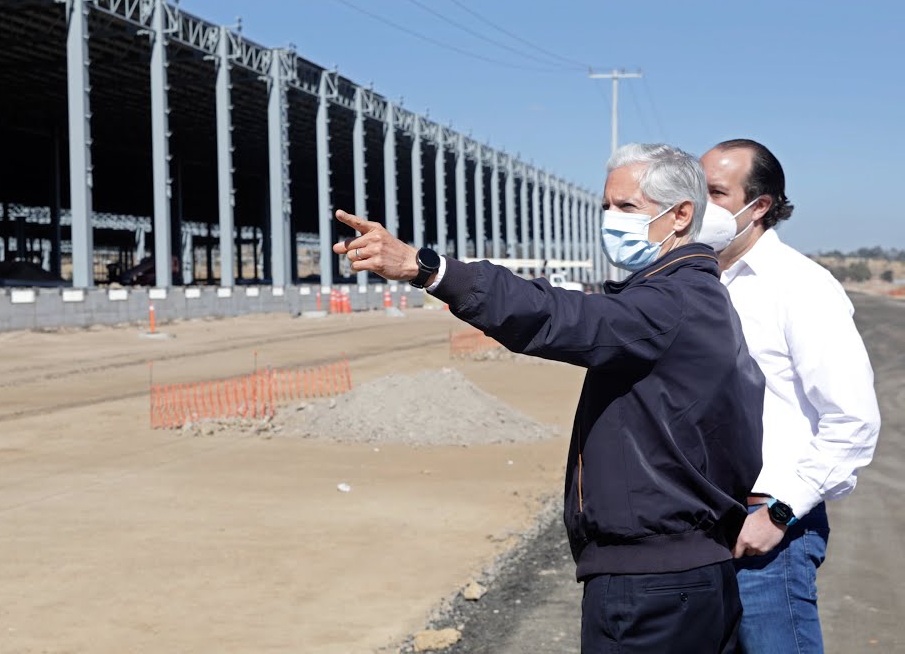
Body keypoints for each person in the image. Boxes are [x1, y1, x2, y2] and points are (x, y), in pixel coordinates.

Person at [334, 143, 764, 653]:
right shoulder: (704, 298)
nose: (611, 219)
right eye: (606, 207)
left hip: (651, 587)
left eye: (627, 208)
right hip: (693, 573)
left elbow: (561, 316)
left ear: (681, 215)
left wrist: (430, 270)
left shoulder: (670, 303)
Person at [698, 139, 880, 653]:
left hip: (770, 531)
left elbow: (852, 420)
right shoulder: (700, 283)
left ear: (759, 206)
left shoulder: (801, 286)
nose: (698, 206)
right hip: (701, 526)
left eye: (715, 192)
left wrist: (779, 515)